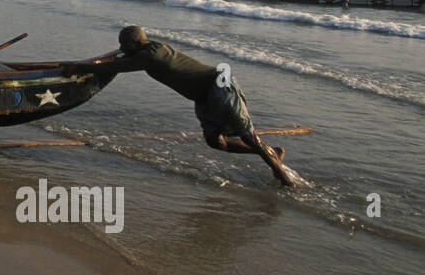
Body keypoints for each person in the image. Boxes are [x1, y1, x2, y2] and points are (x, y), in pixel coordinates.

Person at [65, 27, 296, 187]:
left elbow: (115, 67)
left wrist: (78, 66)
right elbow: (122, 59)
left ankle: (285, 178)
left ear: (136, 43)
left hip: (219, 87)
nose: (120, 47)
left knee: (249, 136)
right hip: (203, 95)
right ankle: (272, 153)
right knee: (215, 141)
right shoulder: (150, 47)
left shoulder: (149, 57)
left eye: (124, 44)